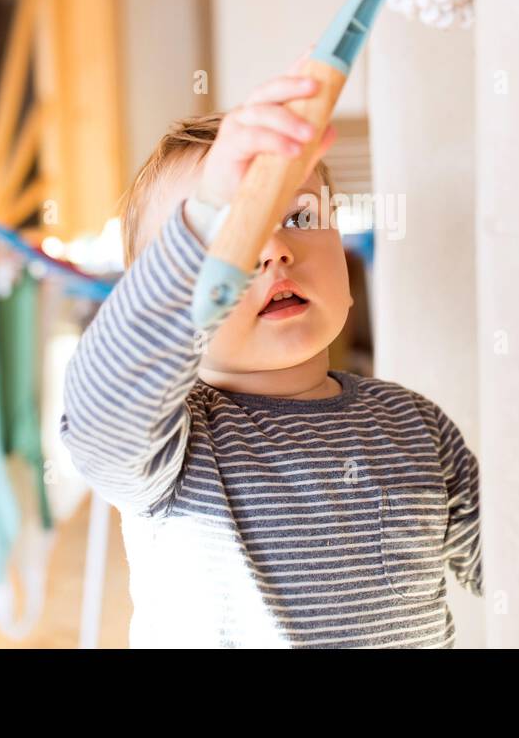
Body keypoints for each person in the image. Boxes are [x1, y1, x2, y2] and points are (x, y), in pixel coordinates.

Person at [61, 51, 482, 647]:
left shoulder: (416, 425)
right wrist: (203, 213)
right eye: (229, 233)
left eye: (300, 213)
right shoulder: (171, 447)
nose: (275, 248)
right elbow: (100, 409)